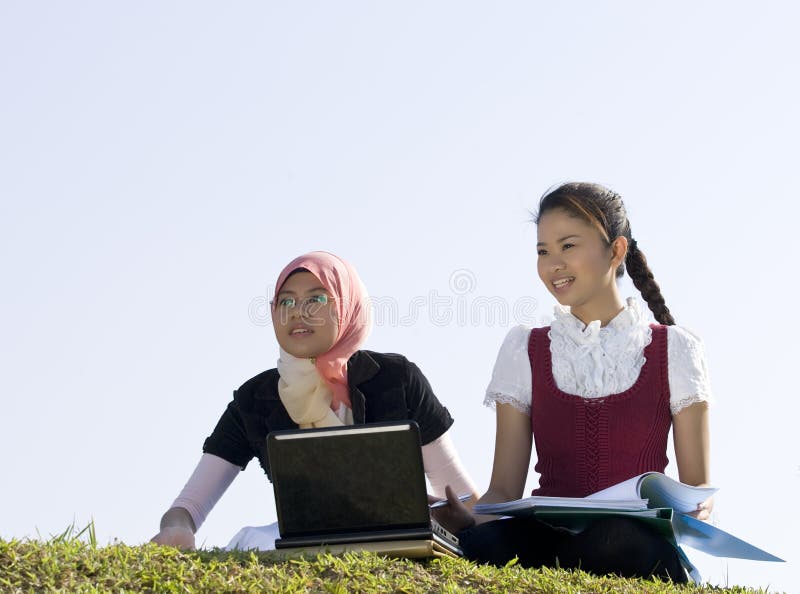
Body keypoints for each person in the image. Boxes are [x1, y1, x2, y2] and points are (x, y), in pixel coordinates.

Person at [437, 182, 713, 583]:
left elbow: (697, 485)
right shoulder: (525, 349)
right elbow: (504, 489)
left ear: (616, 250)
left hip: (631, 540)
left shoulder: (676, 350)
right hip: (548, 538)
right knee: (488, 546)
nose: (553, 265)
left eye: (568, 246)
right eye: (543, 251)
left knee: (615, 539)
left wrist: (698, 507)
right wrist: (473, 518)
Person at [152, 251, 477, 550]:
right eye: (286, 302)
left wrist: (455, 518)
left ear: (345, 306)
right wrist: (177, 528)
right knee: (254, 542)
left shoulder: (397, 379)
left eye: (316, 299)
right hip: (300, 543)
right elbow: (189, 506)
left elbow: (463, 496)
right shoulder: (254, 399)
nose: (298, 313)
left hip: (400, 542)